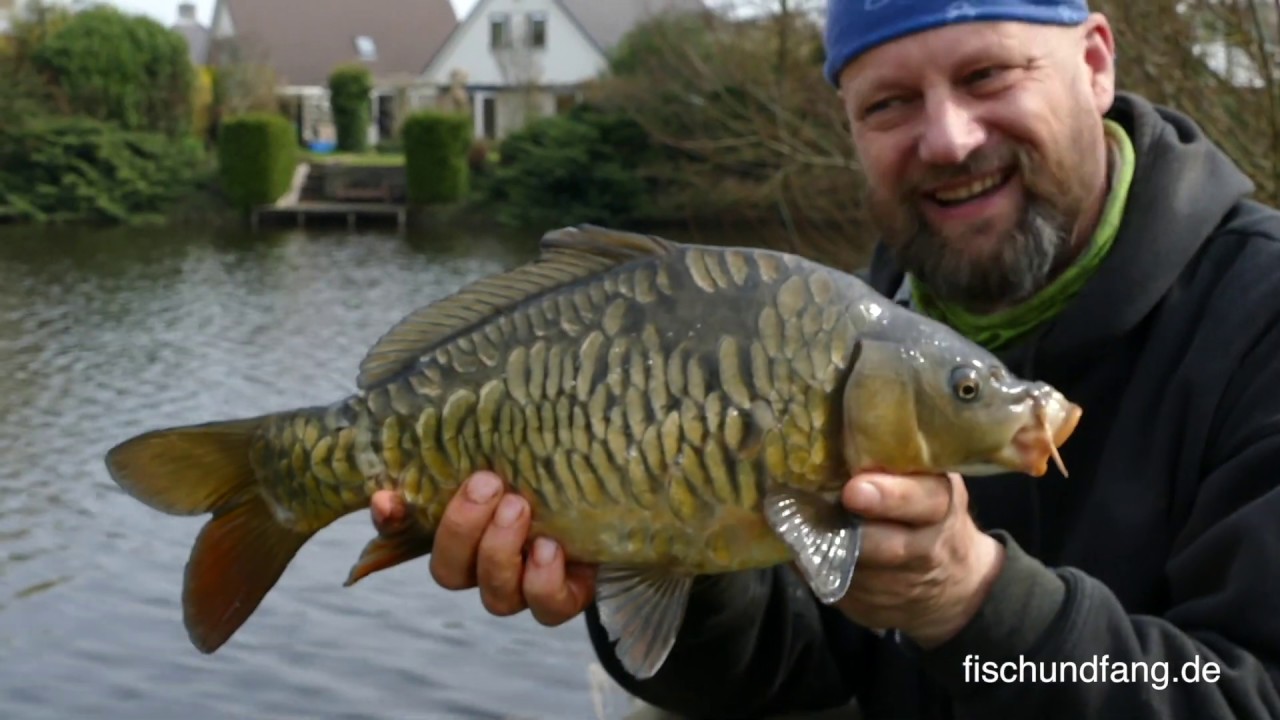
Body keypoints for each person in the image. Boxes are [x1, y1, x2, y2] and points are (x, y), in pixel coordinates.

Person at [370, 0, 1280, 717]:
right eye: (889, 103)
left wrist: (974, 603)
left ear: (1092, 64)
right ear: (849, 126)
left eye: (988, 75)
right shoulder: (829, 333)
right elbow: (789, 668)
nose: (950, 139)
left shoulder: (1259, 317)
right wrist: (666, 540)